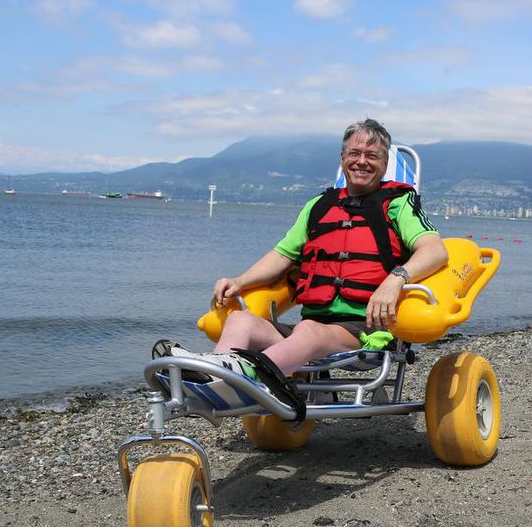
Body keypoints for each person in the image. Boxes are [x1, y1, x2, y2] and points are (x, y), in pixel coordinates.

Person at [164, 119, 448, 387]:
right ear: (342, 159)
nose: (362, 161)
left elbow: (435, 251)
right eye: (355, 153)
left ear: (384, 164)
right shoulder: (319, 206)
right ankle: (215, 379)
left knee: (308, 332)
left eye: (372, 156)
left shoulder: (399, 205)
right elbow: (283, 255)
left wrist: (395, 279)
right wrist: (240, 281)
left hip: (364, 331)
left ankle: (236, 379)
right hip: (310, 328)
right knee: (241, 320)